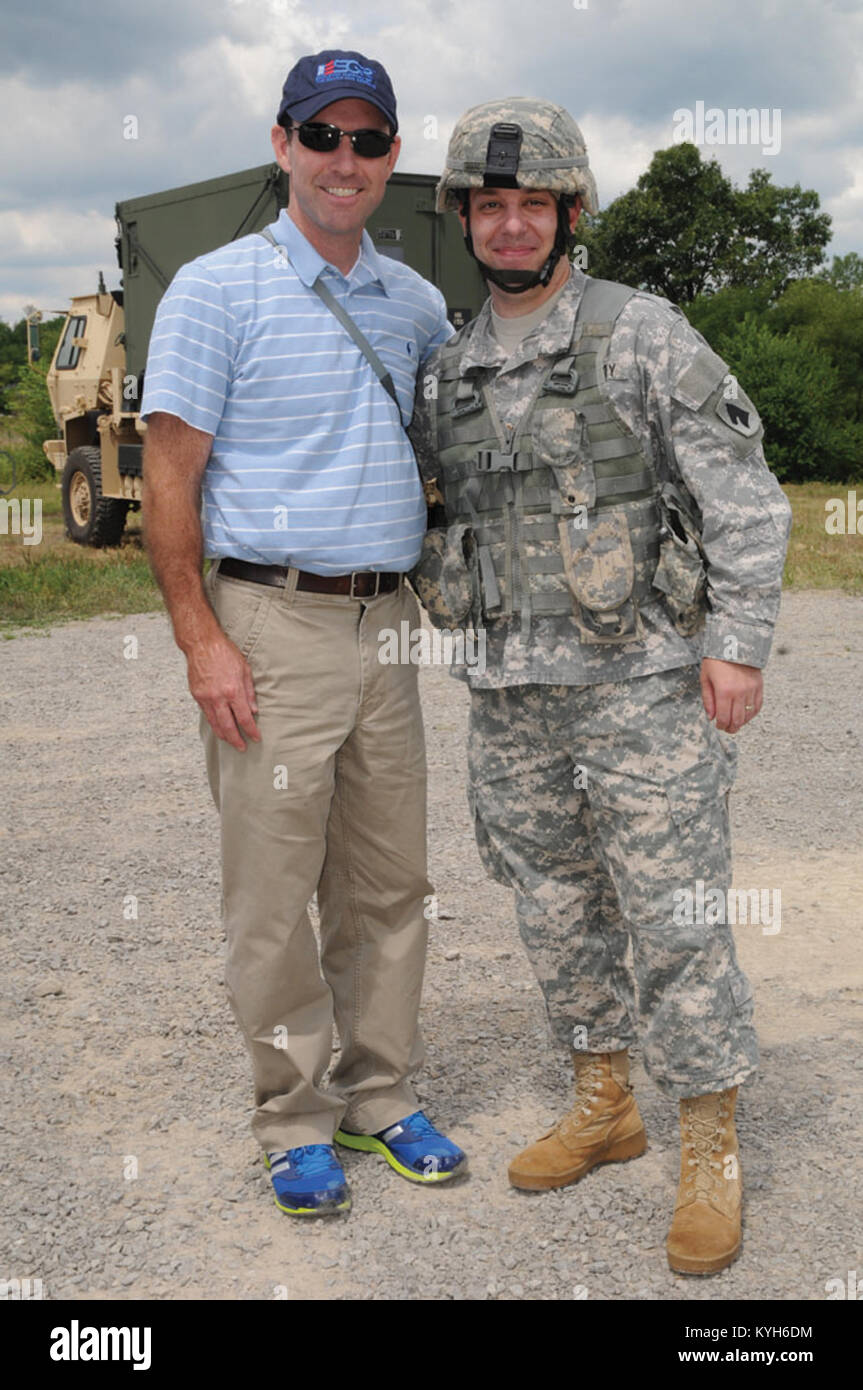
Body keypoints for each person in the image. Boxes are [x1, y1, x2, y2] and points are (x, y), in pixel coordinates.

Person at [408, 98, 791, 1273]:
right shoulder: (447, 372)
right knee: (554, 911)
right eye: (490, 205)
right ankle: (602, 1100)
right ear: (466, 220)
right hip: (511, 698)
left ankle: (707, 1143)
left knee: (674, 919)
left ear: (567, 214)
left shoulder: (642, 334)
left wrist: (738, 643)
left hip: (643, 691)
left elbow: (741, 495)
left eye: (531, 204)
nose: (510, 223)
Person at [140, 49, 466, 1218]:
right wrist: (200, 640)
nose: (344, 160)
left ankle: (379, 1094)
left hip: (387, 623)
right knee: (273, 889)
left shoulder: (417, 302)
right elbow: (168, 473)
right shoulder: (214, 289)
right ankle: (291, 1114)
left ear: (389, 157)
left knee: (388, 879)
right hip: (267, 618)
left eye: (366, 140)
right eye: (319, 136)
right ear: (281, 145)